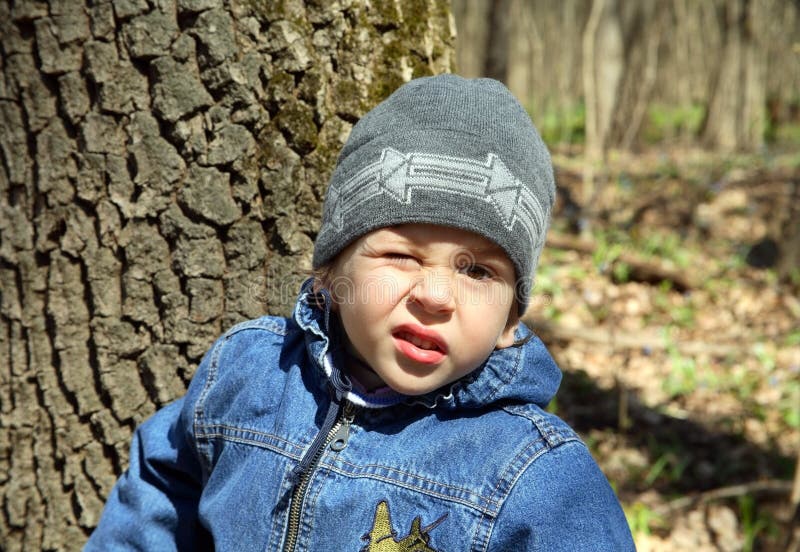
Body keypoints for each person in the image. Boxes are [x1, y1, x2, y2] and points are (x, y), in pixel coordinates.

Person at [86, 74, 635, 551]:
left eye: (478, 272)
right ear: (329, 276)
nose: (436, 296)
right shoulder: (250, 373)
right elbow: (164, 483)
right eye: (401, 255)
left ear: (511, 322)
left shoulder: (536, 475)